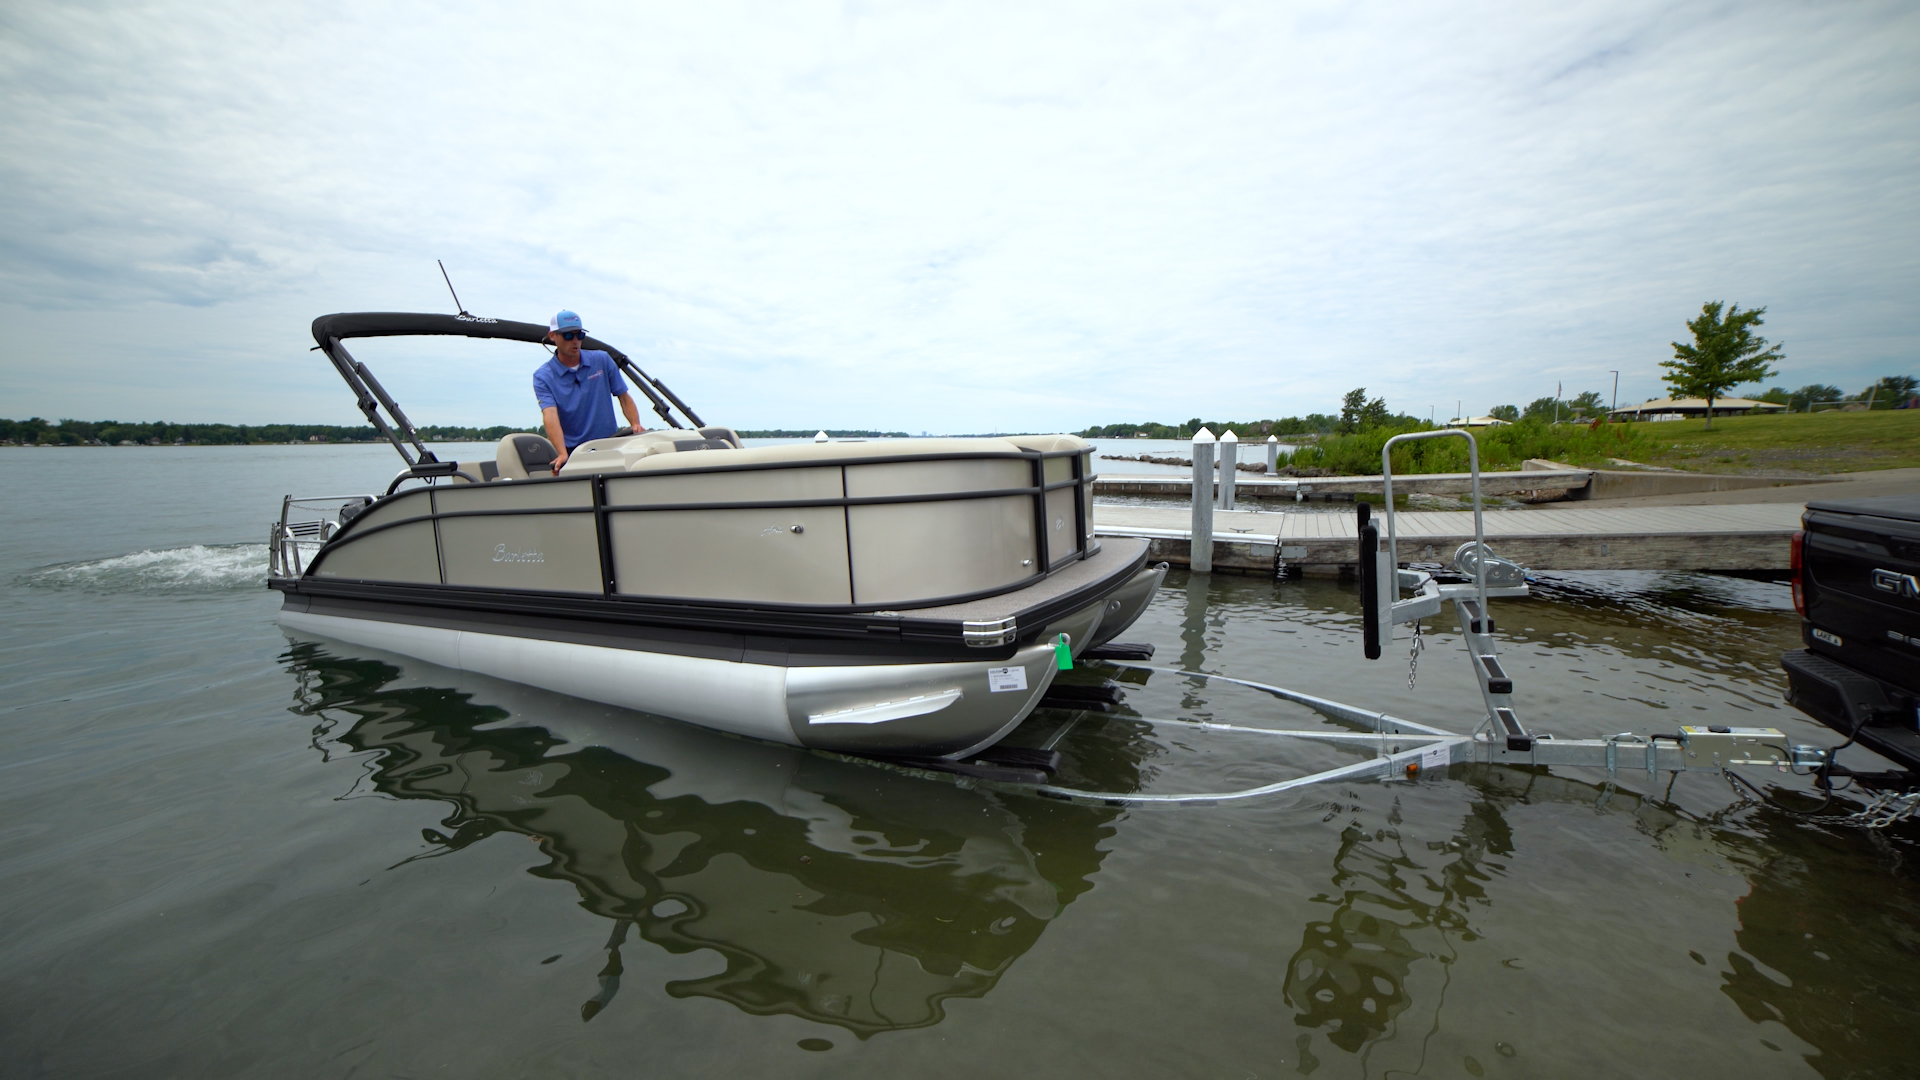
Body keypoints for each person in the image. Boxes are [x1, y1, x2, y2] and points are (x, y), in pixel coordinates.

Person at [533, 310, 644, 472]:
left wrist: (635, 425)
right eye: (568, 336)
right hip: (575, 453)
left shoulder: (602, 360)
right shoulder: (543, 376)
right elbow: (550, 415)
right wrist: (562, 454)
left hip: (610, 445)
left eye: (579, 335)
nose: (575, 341)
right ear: (552, 336)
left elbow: (624, 397)